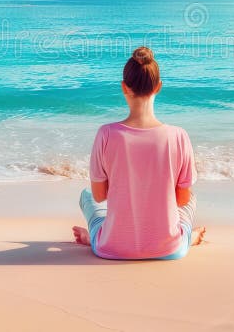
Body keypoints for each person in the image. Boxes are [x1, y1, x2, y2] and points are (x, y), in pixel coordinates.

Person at [72, 46, 205, 260]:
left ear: (124, 87)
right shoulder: (179, 136)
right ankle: (190, 237)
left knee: (87, 197)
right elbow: (181, 200)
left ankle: (94, 237)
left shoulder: (106, 134)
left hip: (112, 249)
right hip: (169, 249)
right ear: (158, 87)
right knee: (190, 200)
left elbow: (99, 196)